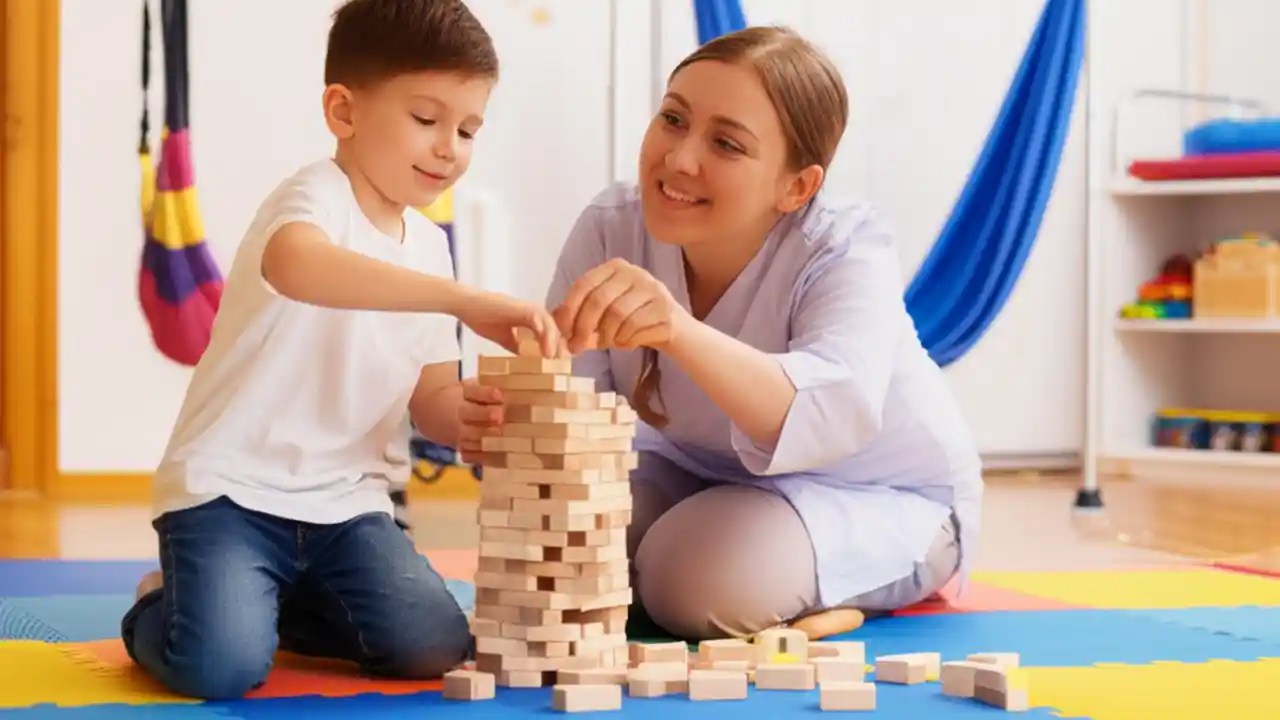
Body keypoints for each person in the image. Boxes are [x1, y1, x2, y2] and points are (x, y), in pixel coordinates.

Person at [461, 26, 983, 641]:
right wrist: (508, 424)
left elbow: (831, 411)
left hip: (872, 492)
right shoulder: (611, 225)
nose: (680, 158)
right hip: (698, 474)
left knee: (686, 582)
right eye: (674, 119)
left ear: (798, 187)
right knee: (556, 546)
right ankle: (742, 563)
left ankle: (848, 594)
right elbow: (574, 402)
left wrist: (678, 330)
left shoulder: (845, 247)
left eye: (727, 144)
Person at [121, 0, 562, 700]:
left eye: (468, 129)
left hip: (346, 504)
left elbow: (432, 395)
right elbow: (298, 266)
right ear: (344, 111)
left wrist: (476, 417)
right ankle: (160, 601)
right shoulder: (314, 198)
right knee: (219, 667)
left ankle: (268, 602)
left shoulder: (428, 247)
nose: (450, 147)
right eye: (426, 120)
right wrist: (464, 300)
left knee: (434, 647)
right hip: (231, 493)